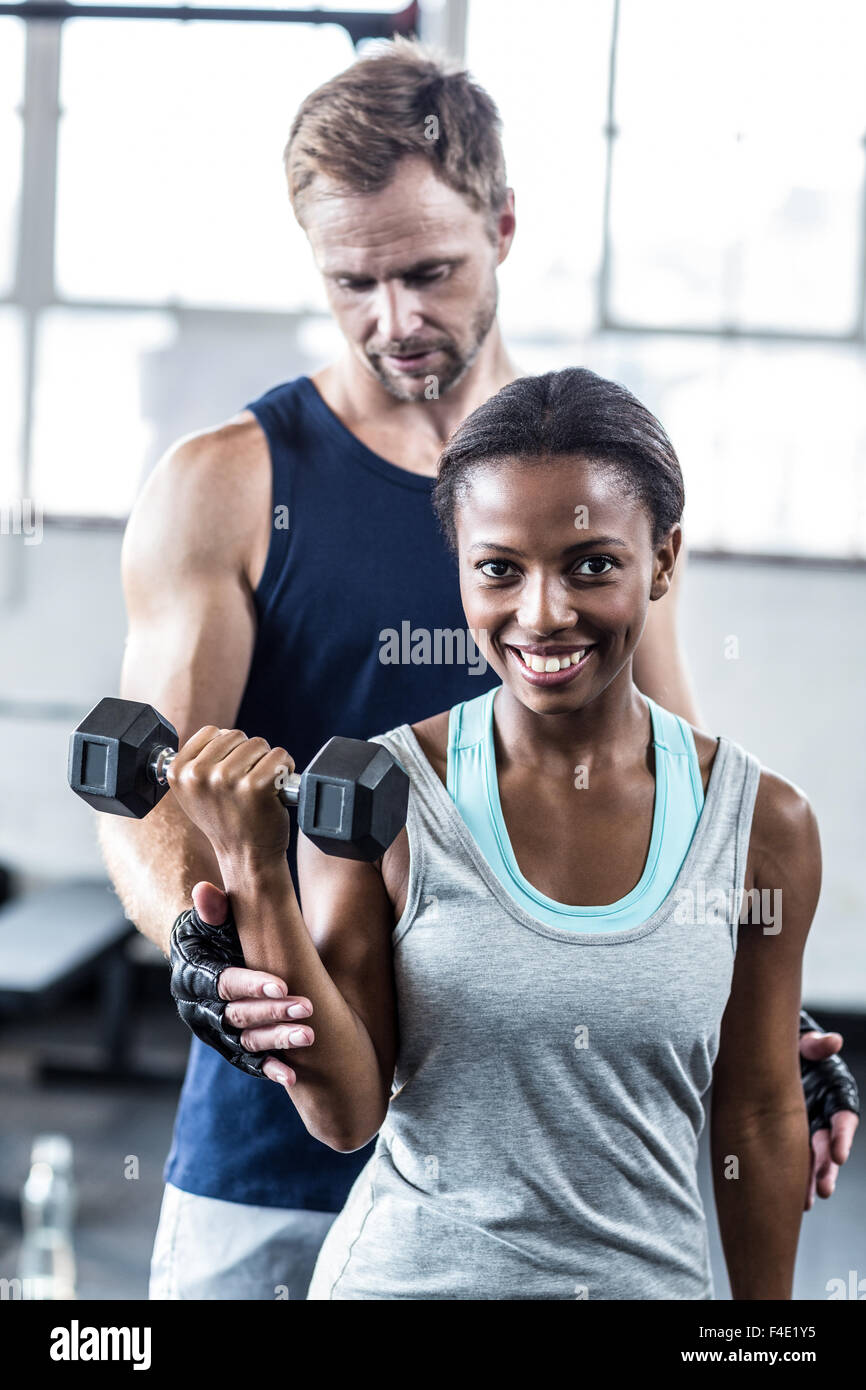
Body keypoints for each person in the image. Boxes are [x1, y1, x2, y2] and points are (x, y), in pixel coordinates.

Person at [97, 39, 858, 1300]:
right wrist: (212, 942)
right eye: (353, 282)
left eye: (429, 272)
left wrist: (756, 1036)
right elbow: (149, 785)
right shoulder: (229, 484)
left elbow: (678, 808)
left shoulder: (586, 484)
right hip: (281, 1117)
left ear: (502, 225)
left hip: (537, 1140)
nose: (393, 319)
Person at [165, 367, 823, 1300]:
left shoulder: (765, 825)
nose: (543, 614)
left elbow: (758, 1113)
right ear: (462, 566)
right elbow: (346, 1112)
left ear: (664, 560)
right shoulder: (383, 791)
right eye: (499, 568)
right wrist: (249, 864)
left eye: (593, 563)